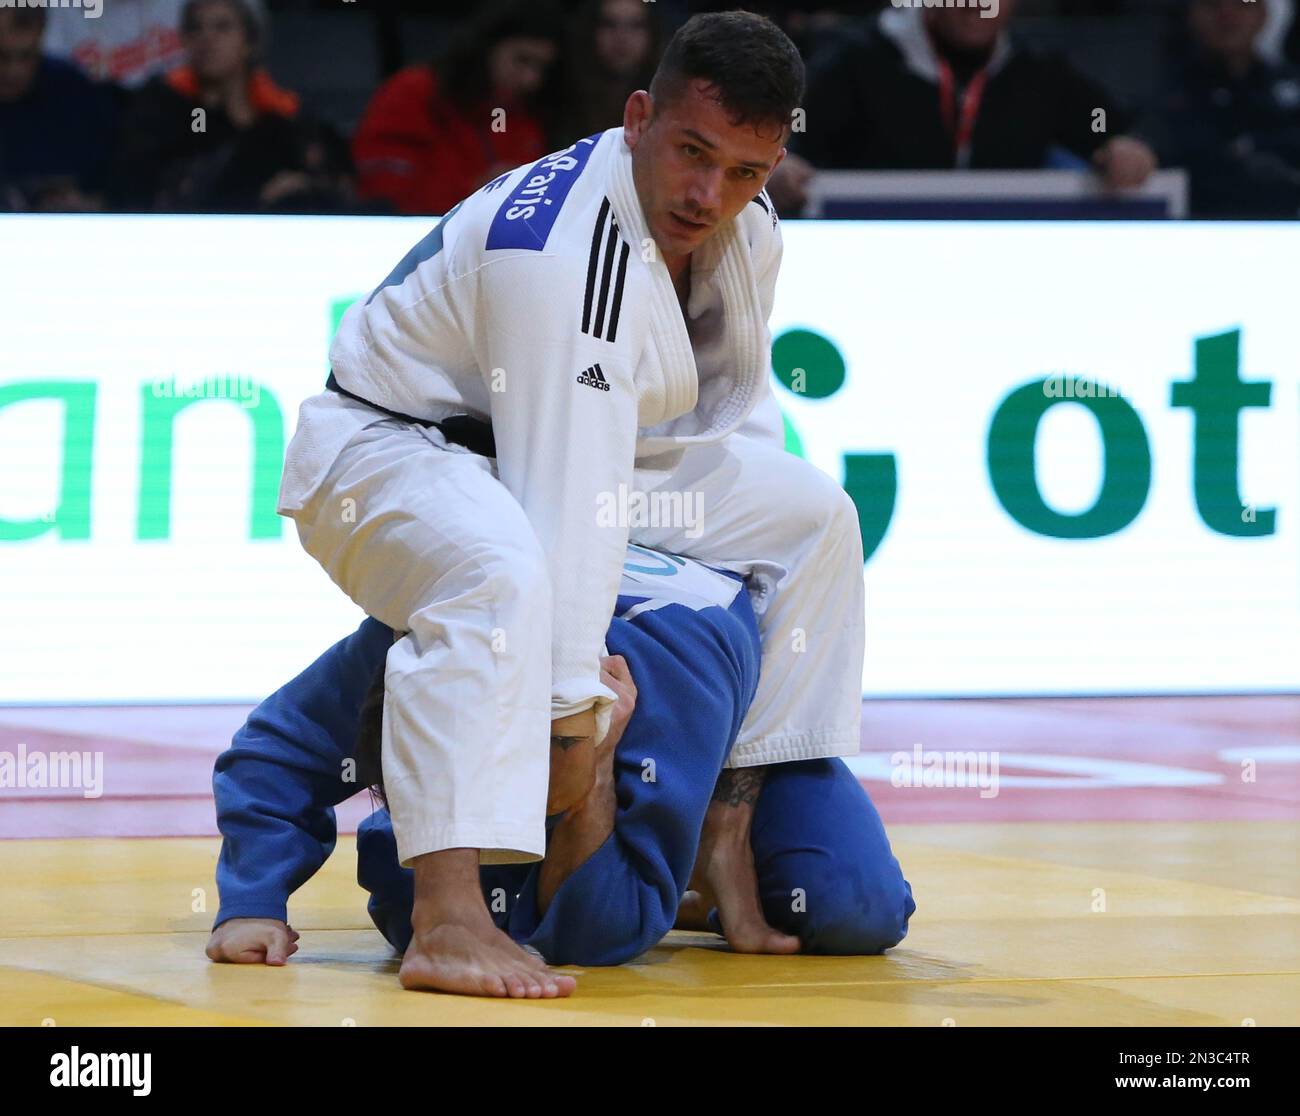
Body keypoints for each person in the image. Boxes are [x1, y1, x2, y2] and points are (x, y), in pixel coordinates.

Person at [277, 10, 867, 997]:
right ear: (637, 118)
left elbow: (715, 419)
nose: (707, 194)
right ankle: (446, 917)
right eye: (691, 152)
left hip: (559, 454)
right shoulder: (564, 256)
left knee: (813, 520)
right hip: (387, 451)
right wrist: (569, 732)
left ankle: (727, 832)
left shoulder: (747, 228)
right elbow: (570, 504)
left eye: (744, 171)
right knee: (497, 576)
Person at [207, 544, 916, 993]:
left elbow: (605, 936)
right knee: (417, 897)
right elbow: (271, 758)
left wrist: (599, 783)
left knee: (852, 909)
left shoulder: (662, 708)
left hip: (747, 708)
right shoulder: (420, 649)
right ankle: (657, 863)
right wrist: (252, 900)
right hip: (596, 652)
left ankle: (688, 858)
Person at [768, 0, 1158, 214]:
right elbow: (796, 127)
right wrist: (781, 161)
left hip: (1004, 269)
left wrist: (1132, 145)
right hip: (875, 268)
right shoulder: (856, 61)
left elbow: (1108, 125)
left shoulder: (1039, 71)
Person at [108, 0, 351, 212]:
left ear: (249, 41)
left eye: (222, 27)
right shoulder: (168, 103)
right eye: (195, 28)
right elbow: (143, 182)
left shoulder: (282, 113)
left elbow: (334, 177)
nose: (206, 38)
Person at [352, 0, 561, 215]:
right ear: (486, 48)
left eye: (541, 68)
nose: (531, 80)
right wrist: (473, 193)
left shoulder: (515, 113)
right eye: (522, 60)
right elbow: (385, 190)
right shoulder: (413, 92)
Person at [1152, 0, 1300, 218]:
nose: (1227, 15)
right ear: (1192, 14)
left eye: (1243, 3)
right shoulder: (1163, 90)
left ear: (1263, 14)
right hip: (1195, 227)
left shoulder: (1291, 85)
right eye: (1212, 4)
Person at [0, 6, 117, 211]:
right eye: (3, 56)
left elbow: (114, 185)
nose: (14, 71)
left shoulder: (72, 90)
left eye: (26, 56)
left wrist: (92, 203)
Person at [551, 0, 663, 148]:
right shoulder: (558, 100)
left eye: (636, 25)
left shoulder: (665, 102)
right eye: (609, 24)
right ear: (590, 31)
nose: (622, 37)